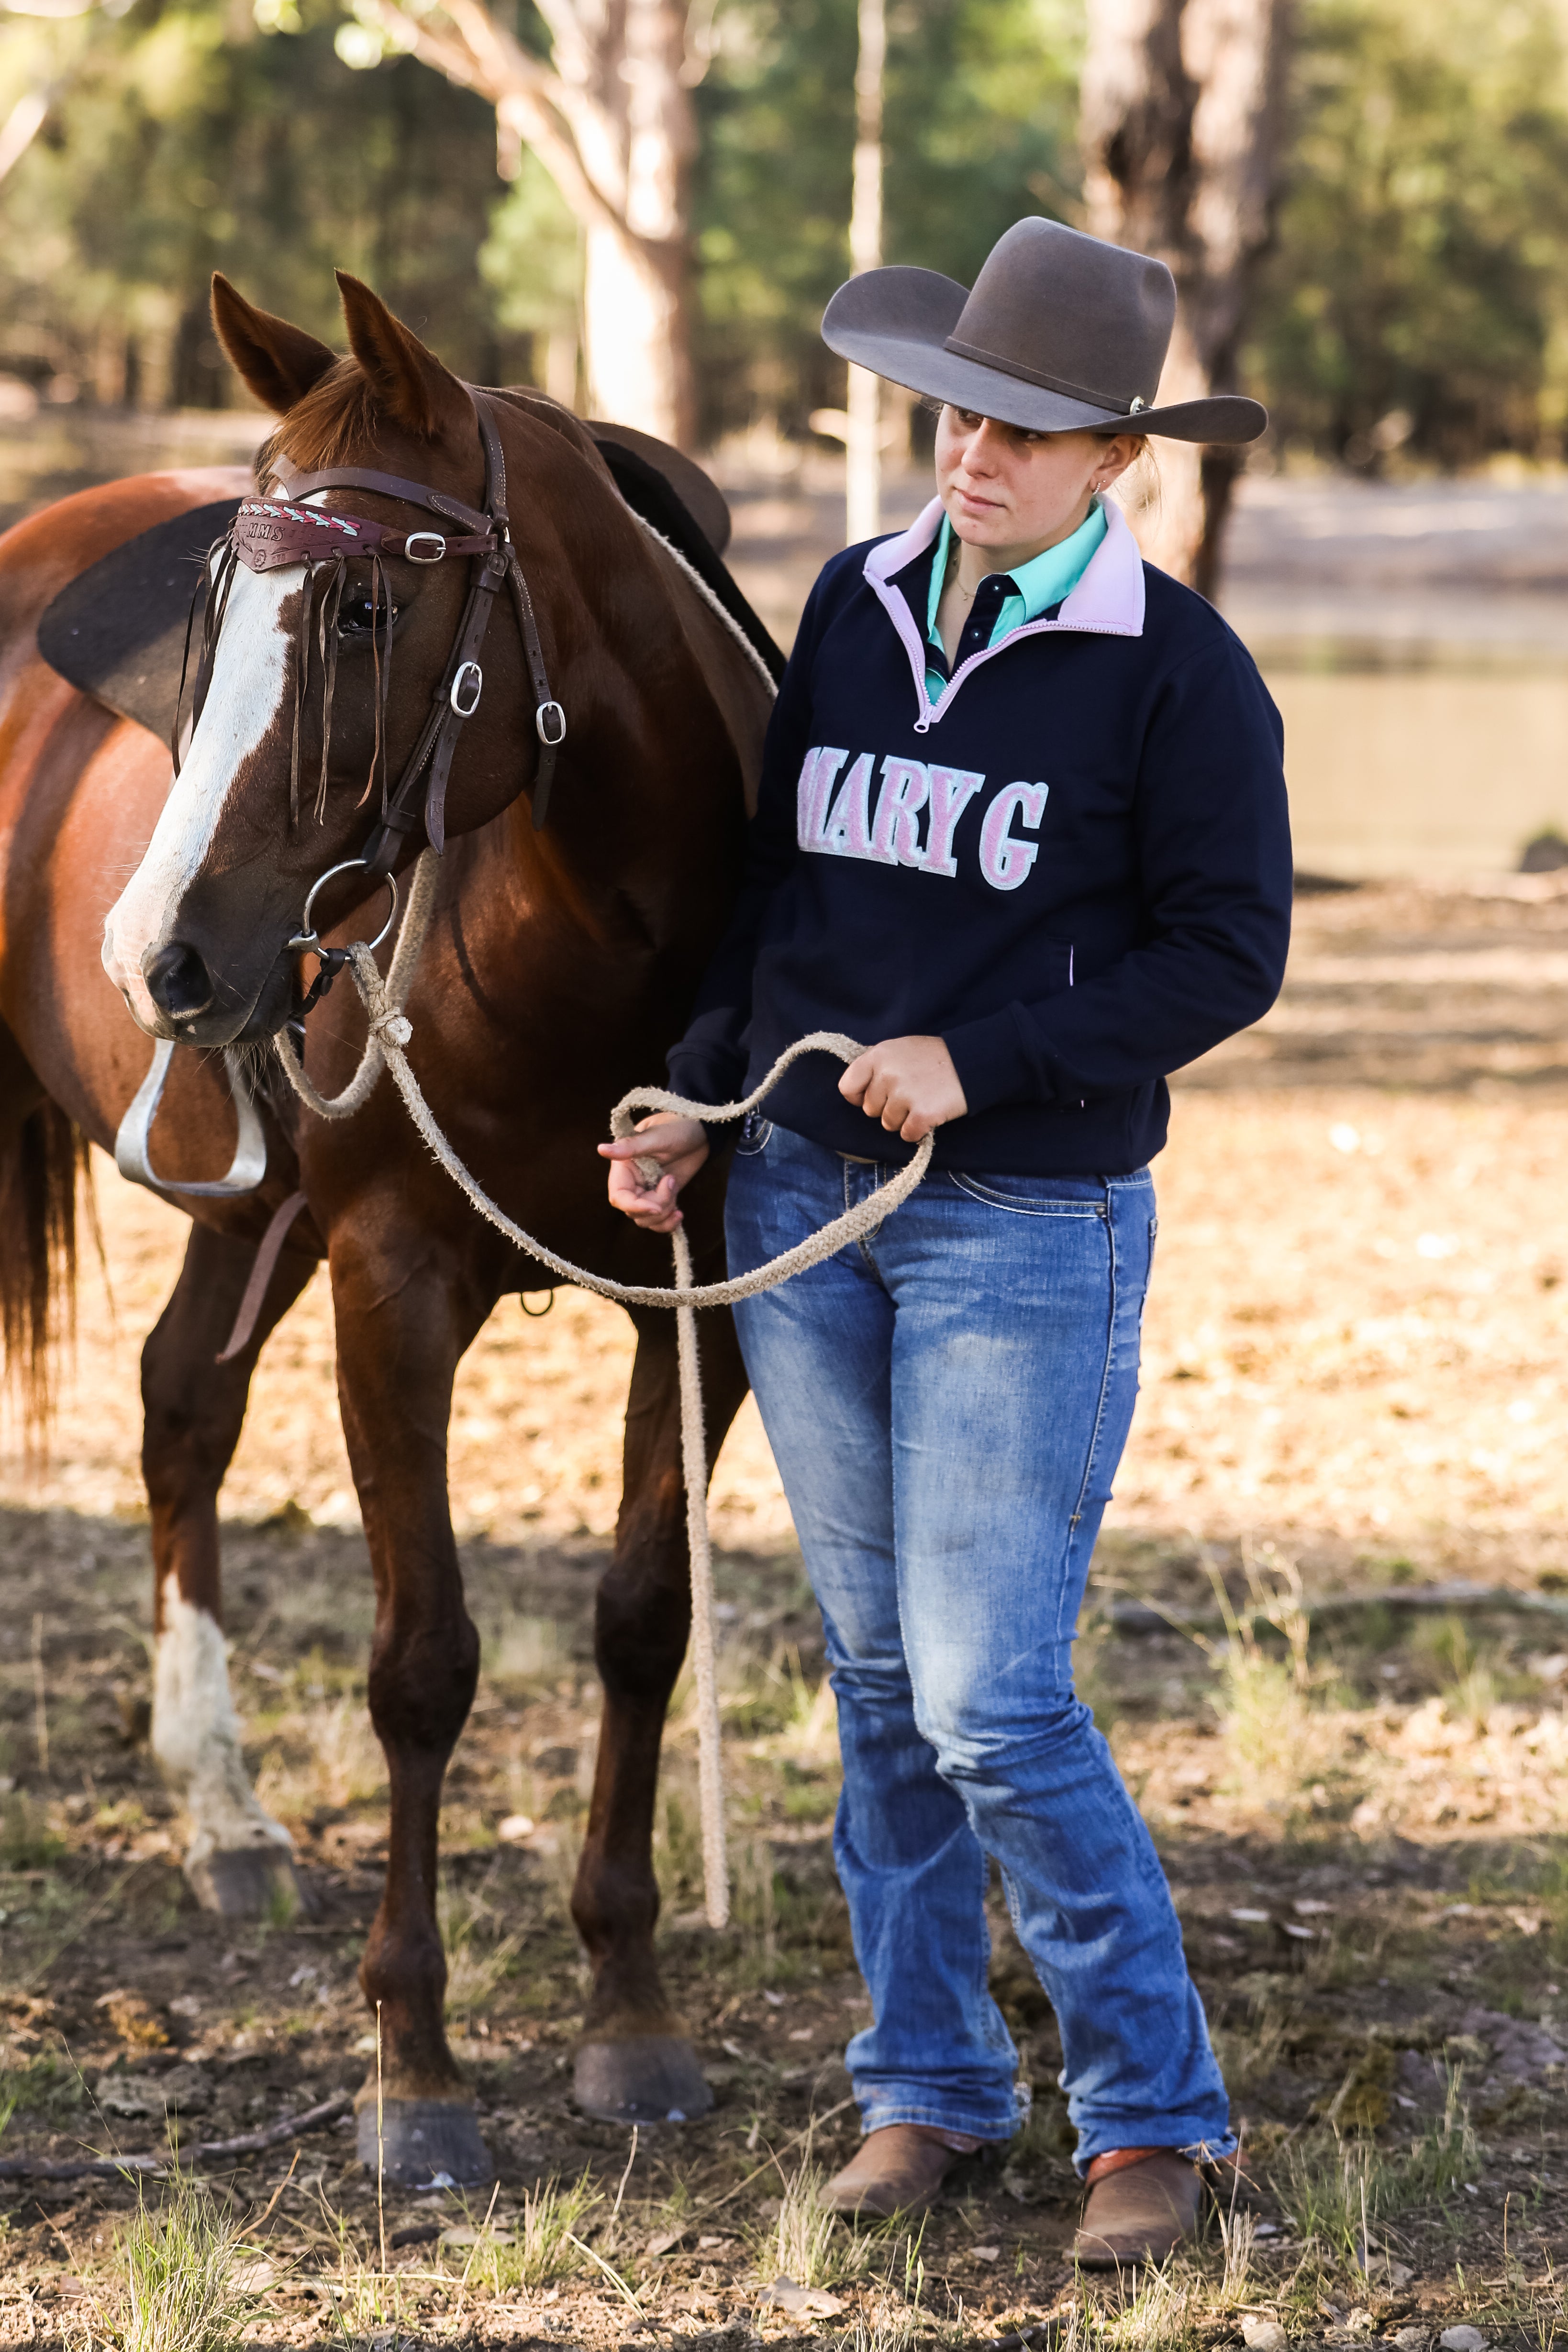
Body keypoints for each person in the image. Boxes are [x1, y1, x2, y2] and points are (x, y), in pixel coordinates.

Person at [601, 216, 1291, 2265]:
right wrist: (702, 1090)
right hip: (801, 1203)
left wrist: (979, 1060)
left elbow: (1226, 955)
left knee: (993, 1694)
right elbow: (780, 895)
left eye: (1025, 432)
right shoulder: (853, 603)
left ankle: (1152, 2115)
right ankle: (928, 2081)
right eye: (954, 416)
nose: (972, 456)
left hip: (1025, 1224)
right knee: (882, 1679)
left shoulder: (1179, 671)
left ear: (1117, 459)